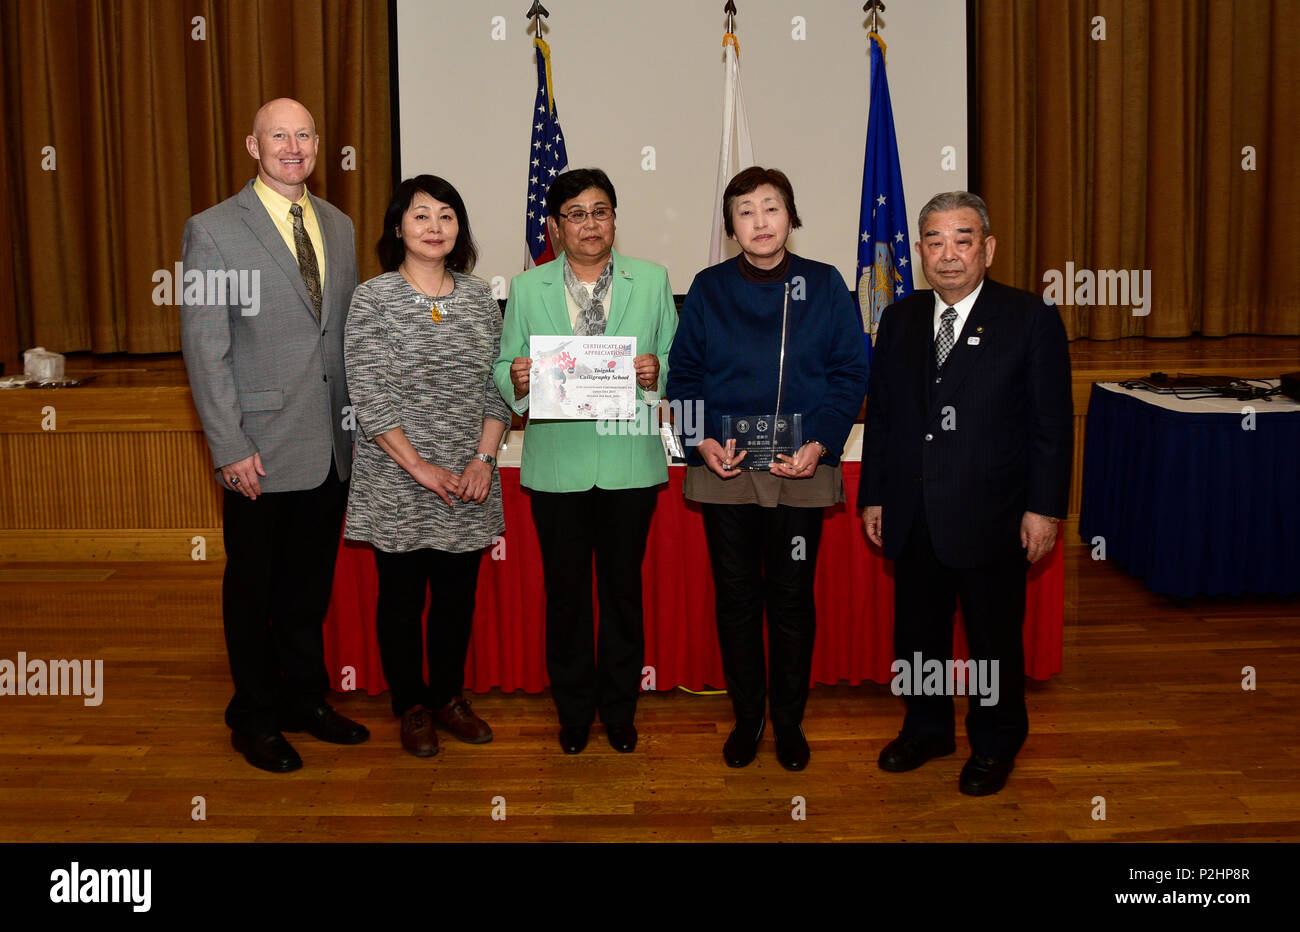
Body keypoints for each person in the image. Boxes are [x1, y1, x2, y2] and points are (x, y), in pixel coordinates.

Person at [859, 191, 1072, 796]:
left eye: (963, 240)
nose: (948, 255)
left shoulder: (1029, 319)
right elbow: (886, 422)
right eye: (935, 241)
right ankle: (927, 729)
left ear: (988, 247)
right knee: (919, 635)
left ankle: (995, 741)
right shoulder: (899, 319)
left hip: (995, 516)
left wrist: (1045, 508)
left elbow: (1051, 427)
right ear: (920, 250)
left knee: (991, 639)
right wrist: (874, 495)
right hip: (912, 514)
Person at [180, 97, 368, 773]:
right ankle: (253, 716)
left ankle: (302, 700)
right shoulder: (214, 231)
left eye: (304, 135)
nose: (294, 146)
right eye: (278, 136)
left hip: (329, 447)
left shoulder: (340, 227)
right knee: (253, 589)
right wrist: (229, 445)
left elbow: (340, 338)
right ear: (253, 146)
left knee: (307, 588)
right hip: (256, 448)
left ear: (317, 144)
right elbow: (206, 348)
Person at [667, 166, 869, 771]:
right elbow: (684, 378)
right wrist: (700, 438)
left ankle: (788, 721)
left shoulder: (825, 284)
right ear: (731, 225)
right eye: (746, 210)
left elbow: (850, 374)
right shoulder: (708, 288)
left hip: (799, 470)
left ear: (791, 216)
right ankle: (747, 717)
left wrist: (823, 443)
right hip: (724, 470)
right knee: (736, 600)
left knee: (790, 599)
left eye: (771, 207)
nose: (760, 221)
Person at [493, 168, 678, 755]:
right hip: (557, 468)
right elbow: (502, 366)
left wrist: (656, 374)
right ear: (555, 225)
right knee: (566, 595)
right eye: (576, 213)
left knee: (623, 593)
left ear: (615, 219)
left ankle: (619, 711)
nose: (590, 223)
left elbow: (678, 357)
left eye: (600, 211)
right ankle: (574, 712)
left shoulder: (651, 280)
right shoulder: (528, 288)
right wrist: (517, 378)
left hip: (629, 463)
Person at [343, 175, 509, 758]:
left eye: (446, 215)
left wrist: (483, 460)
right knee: (402, 597)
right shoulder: (374, 297)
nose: (434, 226)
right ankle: (411, 705)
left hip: (469, 477)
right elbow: (368, 392)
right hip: (398, 477)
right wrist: (420, 468)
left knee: (457, 597)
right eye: (420, 215)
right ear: (398, 228)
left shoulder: (479, 298)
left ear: (459, 228)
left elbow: (499, 387)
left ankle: (447, 697)